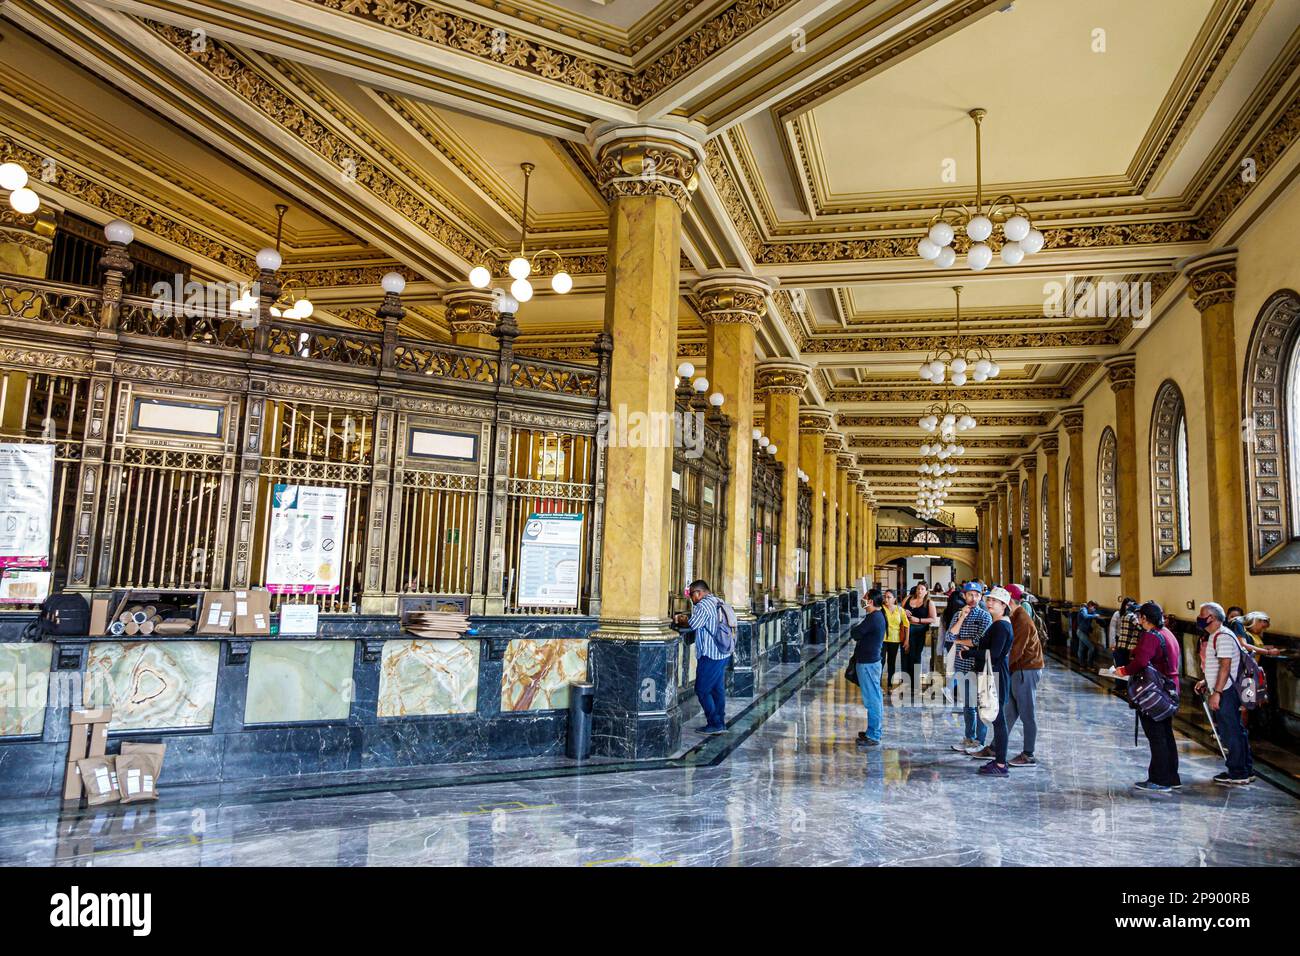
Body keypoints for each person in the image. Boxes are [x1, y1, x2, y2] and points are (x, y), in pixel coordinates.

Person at [1114, 602, 1181, 792]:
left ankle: (1160, 779)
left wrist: (1123, 671)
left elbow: (1141, 661)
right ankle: (1172, 776)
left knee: (1156, 735)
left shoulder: (1151, 636)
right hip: (1170, 687)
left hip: (1155, 691)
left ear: (1144, 618)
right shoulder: (1167, 633)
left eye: (1140, 617)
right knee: (1166, 734)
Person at [1194, 602, 1254, 786]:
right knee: (1236, 729)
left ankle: (1238, 772)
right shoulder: (1218, 635)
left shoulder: (1222, 636)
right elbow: (1220, 665)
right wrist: (1207, 681)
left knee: (1231, 731)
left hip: (1226, 691)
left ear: (1211, 617)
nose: (1200, 618)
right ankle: (1244, 769)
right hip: (1223, 688)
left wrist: (1217, 692)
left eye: (1202, 614)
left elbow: (1226, 667)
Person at [673, 579, 732, 735]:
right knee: (717, 689)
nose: (691, 599)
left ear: (698, 593)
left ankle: (714, 723)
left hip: (710, 654)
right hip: (723, 651)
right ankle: (720, 722)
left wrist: (681, 620)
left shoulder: (703, 604)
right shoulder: (718, 600)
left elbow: (693, 624)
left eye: (691, 595)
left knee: (702, 690)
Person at [1000, 583, 1045, 767]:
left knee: (1027, 713)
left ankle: (1028, 754)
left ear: (1008, 600)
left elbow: (1016, 650)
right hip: (1018, 669)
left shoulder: (1022, 620)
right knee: (1009, 712)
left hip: (1026, 670)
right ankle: (996, 746)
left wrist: (1001, 668)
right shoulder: (1014, 616)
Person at [944, 582, 991, 754]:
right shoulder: (958, 614)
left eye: (976, 595)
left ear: (980, 597)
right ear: (964, 596)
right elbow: (949, 635)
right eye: (970, 595)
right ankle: (968, 738)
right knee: (967, 706)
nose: (973, 598)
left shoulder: (985, 616)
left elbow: (978, 641)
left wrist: (958, 641)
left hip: (976, 665)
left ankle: (980, 740)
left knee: (979, 705)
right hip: (960, 664)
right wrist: (962, 618)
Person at [974, 586, 1014, 776]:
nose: (989, 603)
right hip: (994, 674)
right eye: (988, 600)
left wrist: (969, 653)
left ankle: (1000, 764)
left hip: (996, 675)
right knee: (997, 719)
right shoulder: (999, 623)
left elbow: (994, 654)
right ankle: (999, 761)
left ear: (1004, 605)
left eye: (994, 601)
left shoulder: (1001, 625)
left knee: (999, 720)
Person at [852, 589, 887, 746]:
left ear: (871, 601)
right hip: (869, 662)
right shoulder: (875, 616)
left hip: (868, 664)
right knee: (874, 698)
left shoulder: (873, 618)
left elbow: (856, 633)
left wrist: (857, 630)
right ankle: (873, 731)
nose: (863, 600)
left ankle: (874, 735)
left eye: (865, 598)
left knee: (872, 700)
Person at [902, 583, 938, 697]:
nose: (920, 591)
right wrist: (903, 611)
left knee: (915, 657)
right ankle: (905, 682)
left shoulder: (929, 602)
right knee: (905, 656)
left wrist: (918, 619)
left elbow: (933, 618)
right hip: (905, 630)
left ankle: (915, 684)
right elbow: (899, 610)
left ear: (926, 591)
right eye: (918, 588)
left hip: (918, 631)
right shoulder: (908, 598)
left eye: (922, 589)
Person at [880, 589, 906, 697]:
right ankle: (878, 685)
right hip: (882, 639)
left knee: (891, 663)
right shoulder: (880, 609)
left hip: (895, 640)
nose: (886, 599)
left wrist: (907, 640)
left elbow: (906, 624)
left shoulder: (900, 610)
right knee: (880, 662)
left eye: (889, 597)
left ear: (894, 599)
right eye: (885, 597)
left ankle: (890, 685)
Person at [1074, 600, 1102, 668]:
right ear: (1090, 606)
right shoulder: (1083, 609)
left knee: (1081, 648)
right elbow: (1085, 616)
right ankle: (1090, 665)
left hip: (1084, 632)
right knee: (1091, 647)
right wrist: (1094, 615)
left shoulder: (1090, 611)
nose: (1094, 609)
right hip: (1080, 632)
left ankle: (1082, 665)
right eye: (1094, 607)